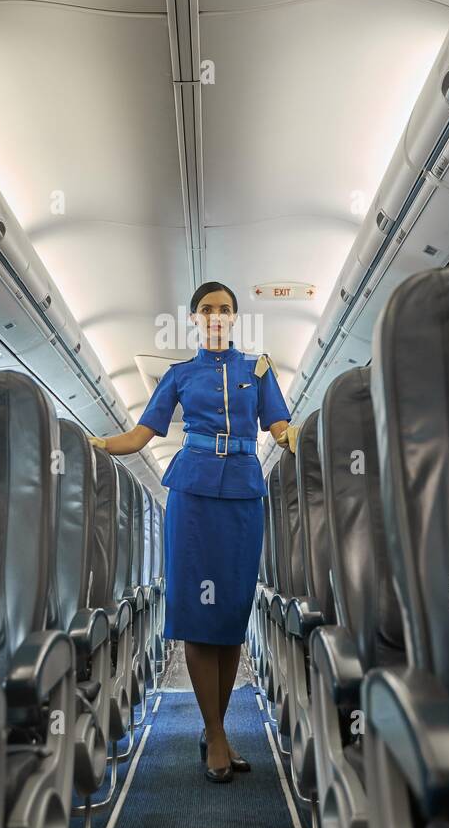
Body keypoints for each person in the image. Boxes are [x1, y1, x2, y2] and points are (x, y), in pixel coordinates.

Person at [89, 283, 295, 782]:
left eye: (225, 309)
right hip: (194, 494)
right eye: (208, 310)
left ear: (235, 318)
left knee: (230, 614)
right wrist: (90, 443)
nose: (217, 316)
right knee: (199, 613)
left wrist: (299, 437)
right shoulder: (180, 375)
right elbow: (142, 435)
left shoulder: (258, 369)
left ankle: (217, 727)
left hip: (244, 494)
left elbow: (280, 426)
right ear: (196, 320)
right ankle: (217, 735)